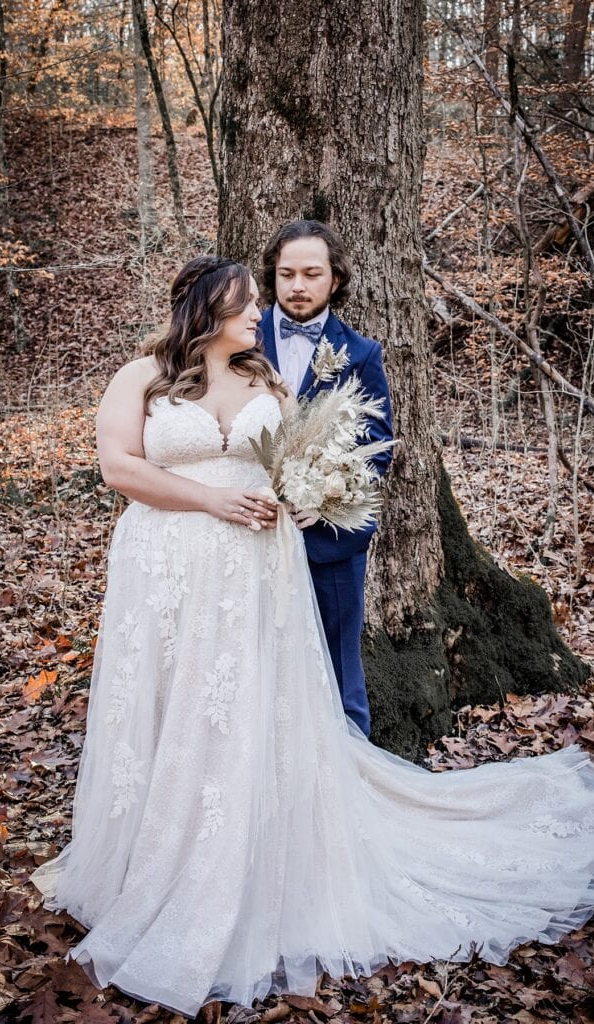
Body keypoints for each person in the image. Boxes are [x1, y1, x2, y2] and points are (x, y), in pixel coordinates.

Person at [30, 255, 594, 1020]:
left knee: (246, 703)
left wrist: (316, 497)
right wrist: (210, 504)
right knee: (167, 699)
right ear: (207, 307)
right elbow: (119, 468)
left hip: (256, 569)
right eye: (247, 302)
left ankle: (249, 857)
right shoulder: (139, 377)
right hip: (168, 566)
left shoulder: (268, 384)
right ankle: (154, 858)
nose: (260, 313)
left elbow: (305, 464)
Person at [259, 220, 393, 737]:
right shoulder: (238, 339)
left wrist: (328, 496)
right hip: (244, 529)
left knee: (338, 657)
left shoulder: (361, 353)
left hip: (329, 536)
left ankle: (352, 767)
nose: (297, 286)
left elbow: (375, 443)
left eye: (311, 274)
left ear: (334, 279)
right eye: (286, 273)